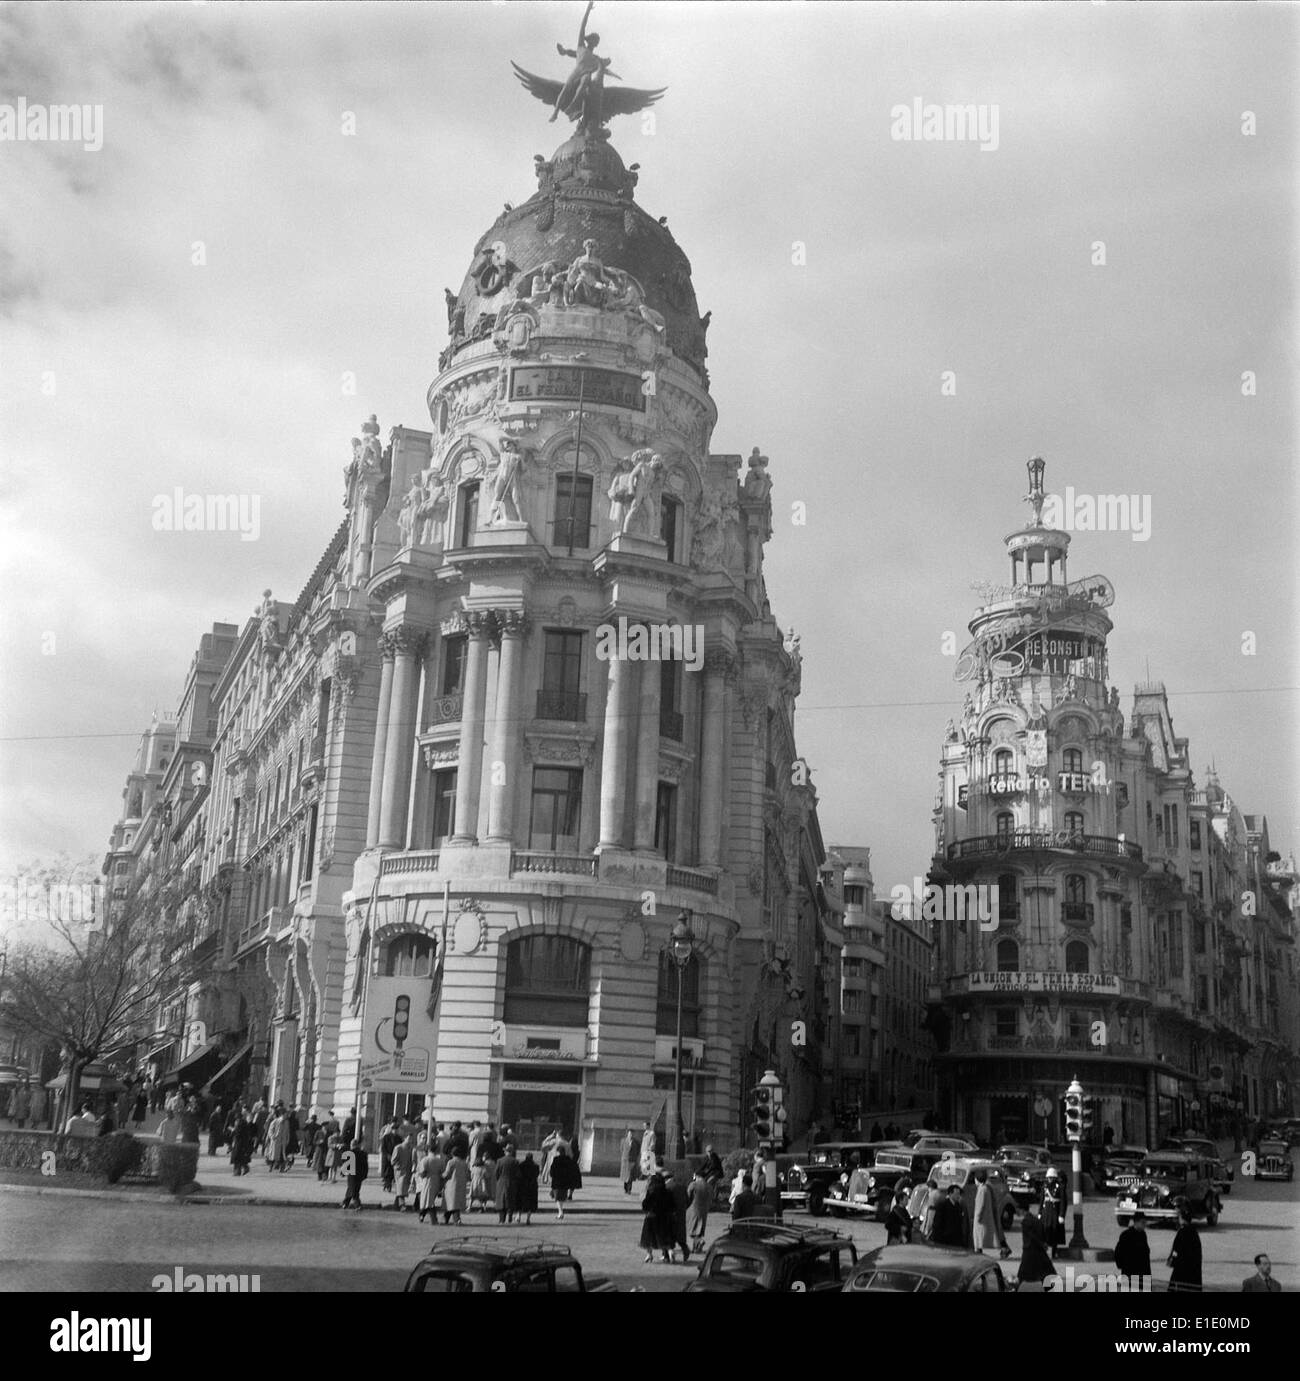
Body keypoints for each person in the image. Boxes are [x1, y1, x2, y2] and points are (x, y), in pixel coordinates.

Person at [1016, 1200, 1057, 1291]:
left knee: (1022, 1274)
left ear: (1022, 1210)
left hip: (1029, 1251)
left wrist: (1042, 1244)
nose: (1017, 1212)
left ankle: (1015, 1289)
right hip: (1039, 1251)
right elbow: (1042, 1232)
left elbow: (1032, 1236)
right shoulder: (1035, 1220)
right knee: (1043, 1272)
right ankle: (1049, 1288)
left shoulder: (1025, 1222)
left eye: (1018, 1209)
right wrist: (1044, 1243)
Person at [640, 1162, 674, 1263]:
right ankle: (667, 1254)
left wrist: (646, 1210)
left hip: (651, 1216)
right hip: (663, 1217)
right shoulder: (667, 1192)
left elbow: (645, 1204)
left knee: (648, 1237)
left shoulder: (651, 1192)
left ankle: (649, 1255)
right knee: (663, 1237)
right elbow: (672, 1205)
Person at [1167, 1205, 1202, 1292]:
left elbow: (1176, 1250)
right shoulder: (1194, 1232)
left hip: (1182, 1272)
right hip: (1194, 1272)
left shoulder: (1182, 1232)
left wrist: (1172, 1260)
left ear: (1181, 1218)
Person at [1115, 1211, 1152, 1283]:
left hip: (1143, 1272)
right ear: (1136, 1222)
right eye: (1143, 1222)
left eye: (1145, 1222)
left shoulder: (1143, 1235)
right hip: (1130, 1272)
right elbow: (1118, 1252)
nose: (1145, 1225)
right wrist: (1123, 1265)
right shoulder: (1126, 1235)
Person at [664, 1168, 691, 1263]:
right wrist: (683, 1209)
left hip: (670, 1215)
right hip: (681, 1214)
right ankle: (685, 1250)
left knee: (668, 1236)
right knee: (681, 1237)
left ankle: (667, 1256)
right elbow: (688, 1201)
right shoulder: (682, 1187)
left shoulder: (667, 1188)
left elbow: (666, 1203)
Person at [549, 1143, 581, 1220]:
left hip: (557, 1181)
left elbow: (552, 1171)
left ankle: (560, 1212)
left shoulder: (556, 1159)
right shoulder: (568, 1159)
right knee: (562, 1197)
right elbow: (571, 1170)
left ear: (558, 1152)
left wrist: (552, 1177)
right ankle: (560, 1211)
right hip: (565, 1181)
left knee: (558, 1198)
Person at [418, 1142, 446, 1224]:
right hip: (436, 1181)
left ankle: (433, 1219)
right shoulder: (440, 1160)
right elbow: (442, 1172)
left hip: (427, 1181)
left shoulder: (425, 1160)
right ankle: (422, 1215)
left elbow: (422, 1173)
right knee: (429, 1200)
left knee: (428, 1201)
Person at [971, 1170, 999, 1254]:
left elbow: (980, 1205)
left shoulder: (982, 1190)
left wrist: (978, 1217)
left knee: (978, 1238)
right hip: (984, 1217)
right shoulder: (985, 1188)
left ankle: (978, 1251)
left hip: (980, 1219)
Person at [1040, 1168, 1065, 1258]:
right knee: (1045, 1232)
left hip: (1055, 1212)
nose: (1050, 1179)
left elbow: (1063, 1202)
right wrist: (1040, 1212)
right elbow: (1042, 1200)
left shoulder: (1060, 1187)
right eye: (1049, 1177)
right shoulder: (1045, 1186)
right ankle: (1045, 1252)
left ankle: (1053, 1252)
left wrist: (1061, 1215)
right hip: (1046, 1212)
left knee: (1054, 1233)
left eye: (1051, 1177)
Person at [687, 1167, 711, 1253]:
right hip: (704, 1209)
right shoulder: (708, 1185)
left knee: (693, 1230)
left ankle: (700, 1241)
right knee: (699, 1230)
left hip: (694, 1208)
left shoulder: (693, 1184)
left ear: (697, 1175)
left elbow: (688, 1196)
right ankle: (696, 1249)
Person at [442, 1149, 469, 1225]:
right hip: (461, 1184)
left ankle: (454, 1219)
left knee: (451, 1202)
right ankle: (452, 1218)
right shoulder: (464, 1163)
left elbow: (447, 1174)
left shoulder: (451, 1162)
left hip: (451, 1184)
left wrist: (441, 1175)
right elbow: (467, 1174)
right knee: (455, 1202)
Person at [391, 1130, 416, 1211]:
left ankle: (396, 1205)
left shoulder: (411, 1149)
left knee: (402, 1189)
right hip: (400, 1172)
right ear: (404, 1138)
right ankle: (402, 1205)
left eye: (411, 1139)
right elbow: (393, 1161)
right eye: (409, 1138)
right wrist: (399, 1167)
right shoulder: (398, 1148)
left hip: (407, 1172)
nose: (410, 1140)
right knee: (401, 1189)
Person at [340, 1139, 367, 1211]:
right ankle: (348, 1203)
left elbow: (345, 1163)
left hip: (351, 1174)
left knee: (352, 1189)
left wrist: (342, 1172)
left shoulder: (349, 1153)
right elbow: (365, 1165)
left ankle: (352, 1204)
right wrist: (365, 1174)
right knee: (355, 1189)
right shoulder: (363, 1153)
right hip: (360, 1174)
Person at [518, 1151, 540, 1226]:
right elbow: (536, 1175)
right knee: (531, 1203)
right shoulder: (536, 1166)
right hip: (532, 1186)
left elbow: (519, 1175)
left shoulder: (521, 1165)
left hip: (523, 1185)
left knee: (521, 1202)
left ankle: (518, 1216)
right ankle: (528, 1219)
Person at [619, 1127, 637, 1194]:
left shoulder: (636, 1142)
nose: (631, 1135)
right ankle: (625, 1188)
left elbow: (637, 1151)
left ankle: (629, 1189)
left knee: (630, 1176)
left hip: (632, 1160)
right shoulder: (623, 1140)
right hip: (625, 1160)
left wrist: (635, 1158)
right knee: (625, 1176)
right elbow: (621, 1149)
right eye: (630, 1133)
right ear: (628, 1134)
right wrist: (624, 1156)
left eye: (632, 1133)